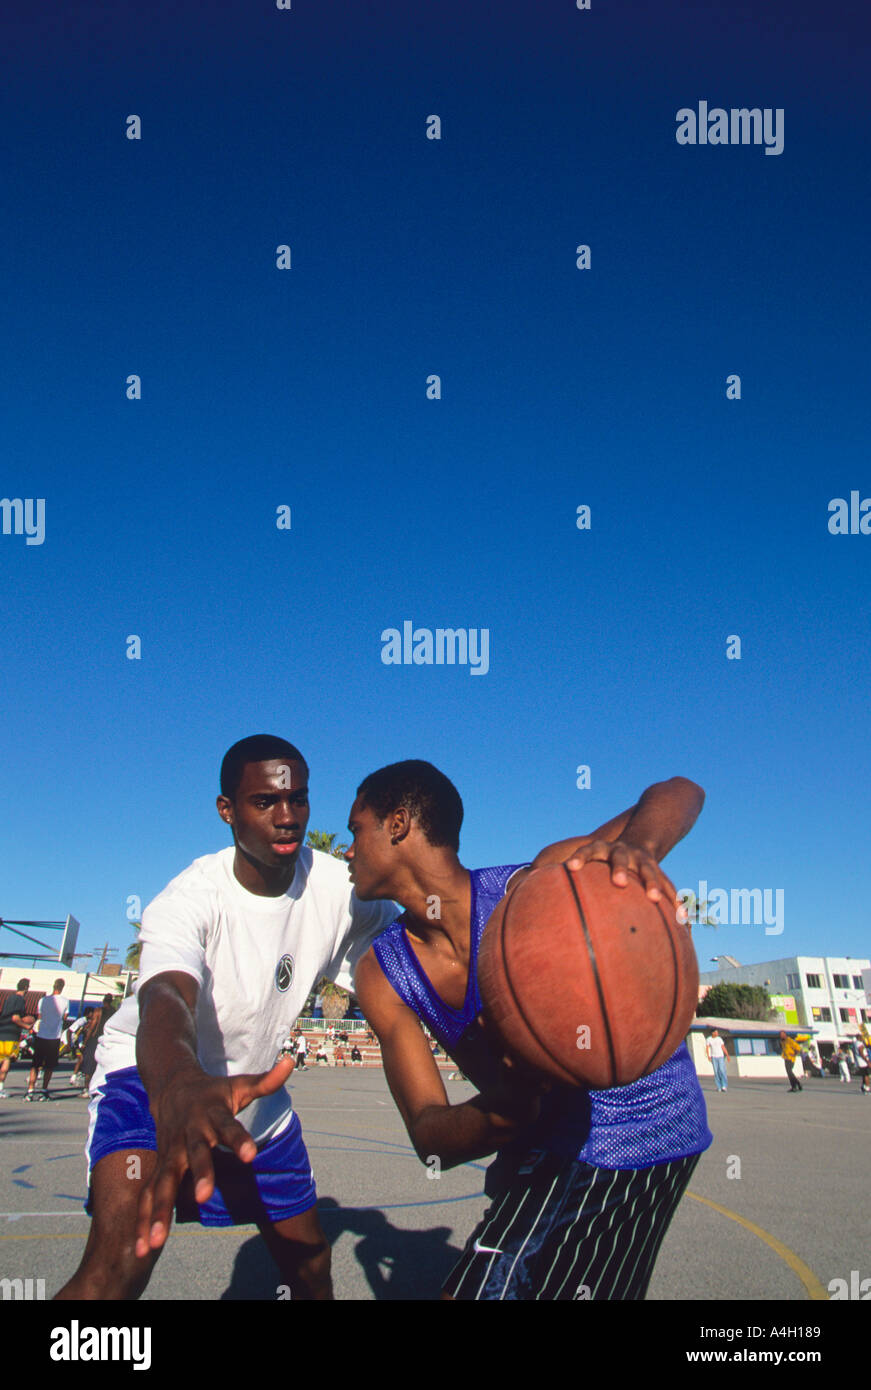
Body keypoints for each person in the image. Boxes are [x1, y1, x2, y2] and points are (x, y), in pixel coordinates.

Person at [349, 761, 712, 1301]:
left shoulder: (538, 885)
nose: (347, 851)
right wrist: (509, 1108)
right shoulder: (382, 974)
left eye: (355, 831)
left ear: (397, 824)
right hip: (552, 1146)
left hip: (638, 1126)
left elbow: (681, 790)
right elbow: (429, 1136)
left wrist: (637, 850)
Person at [54, 735, 395, 1302]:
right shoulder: (190, 898)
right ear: (227, 810)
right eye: (265, 803)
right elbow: (166, 996)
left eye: (300, 800)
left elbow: (418, 944)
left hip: (253, 1095)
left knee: (311, 1273)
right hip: (155, 1080)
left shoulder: (339, 887)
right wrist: (177, 1083)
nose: (288, 818)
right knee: (116, 1268)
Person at [25, 977, 71, 1101]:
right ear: (62, 987)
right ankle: (44, 1091)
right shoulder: (65, 1001)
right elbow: (65, 1017)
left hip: (41, 1035)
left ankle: (30, 1091)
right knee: (49, 1066)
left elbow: (40, 1016)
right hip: (54, 1037)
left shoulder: (43, 1000)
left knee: (35, 1065)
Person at [0, 978, 33, 1099]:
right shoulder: (20, 1000)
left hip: (2, 1031)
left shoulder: (9, 998)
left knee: (2, 1058)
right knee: (7, 1060)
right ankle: (0, 1088)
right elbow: (15, 1018)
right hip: (11, 1034)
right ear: (25, 988)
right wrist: (28, 1026)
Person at [705, 1029, 728, 1093]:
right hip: (713, 1057)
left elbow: (723, 1047)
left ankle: (724, 1086)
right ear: (712, 1033)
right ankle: (719, 1087)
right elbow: (707, 1048)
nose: (717, 1033)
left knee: (722, 1070)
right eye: (716, 1032)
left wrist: (727, 1055)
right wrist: (708, 1056)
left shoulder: (719, 1039)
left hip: (720, 1056)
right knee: (716, 1072)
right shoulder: (709, 1039)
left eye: (717, 1032)